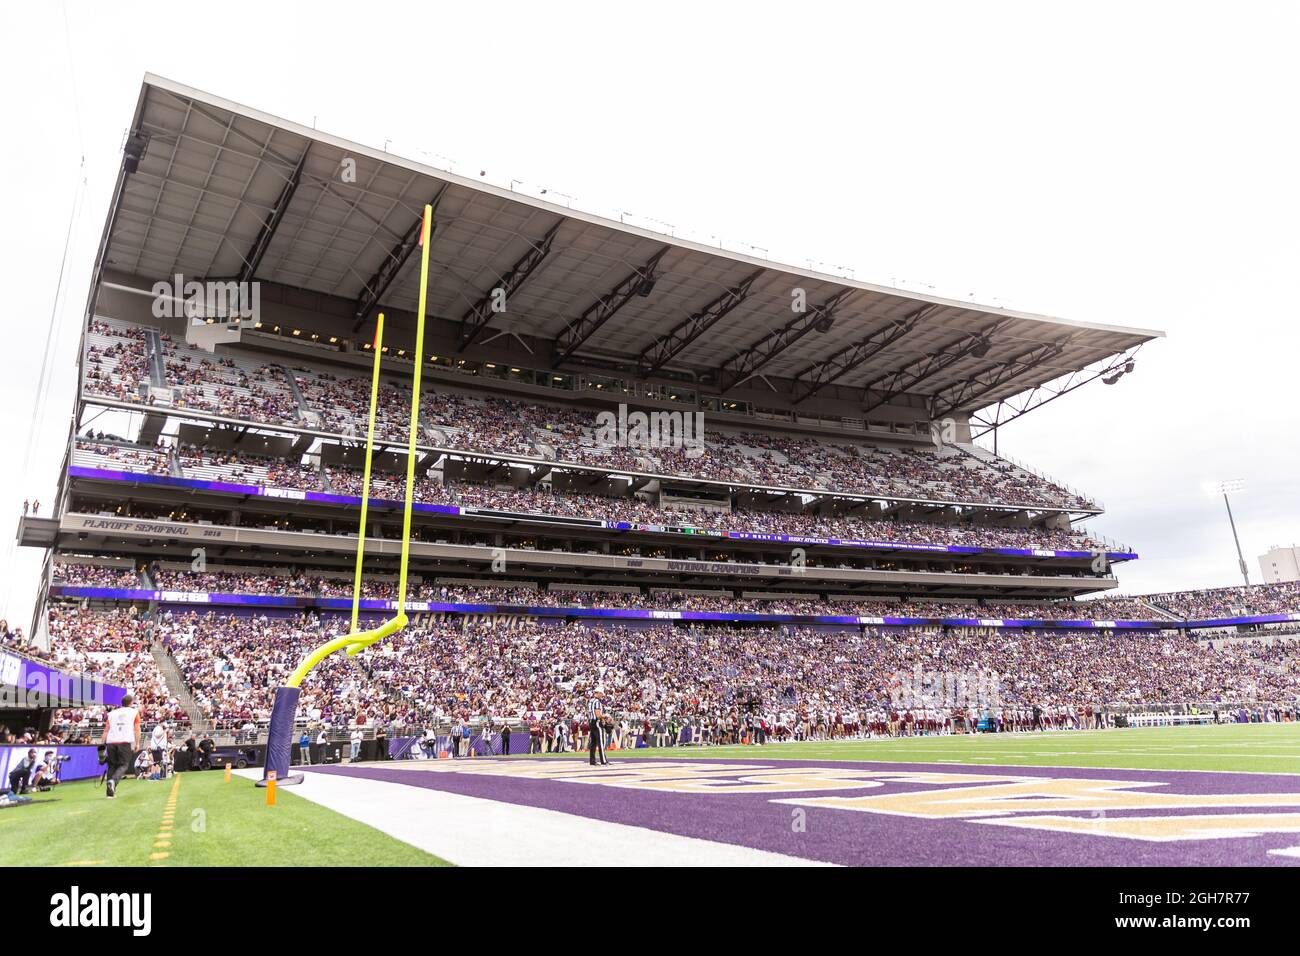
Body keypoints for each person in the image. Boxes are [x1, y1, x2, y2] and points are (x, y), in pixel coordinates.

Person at [103, 692, 141, 798]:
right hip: (124, 741)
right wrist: (137, 743)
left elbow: (106, 730)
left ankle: (109, 793)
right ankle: (113, 781)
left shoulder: (112, 714)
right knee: (124, 765)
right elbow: (137, 729)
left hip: (111, 742)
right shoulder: (134, 712)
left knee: (112, 766)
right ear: (131, 702)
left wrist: (102, 744)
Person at [587, 688, 609, 766]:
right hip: (596, 723)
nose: (602, 695)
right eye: (601, 693)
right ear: (598, 693)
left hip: (591, 722)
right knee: (601, 742)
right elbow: (598, 715)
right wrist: (605, 716)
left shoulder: (590, 701)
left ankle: (592, 761)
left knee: (593, 743)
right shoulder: (597, 702)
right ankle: (603, 760)